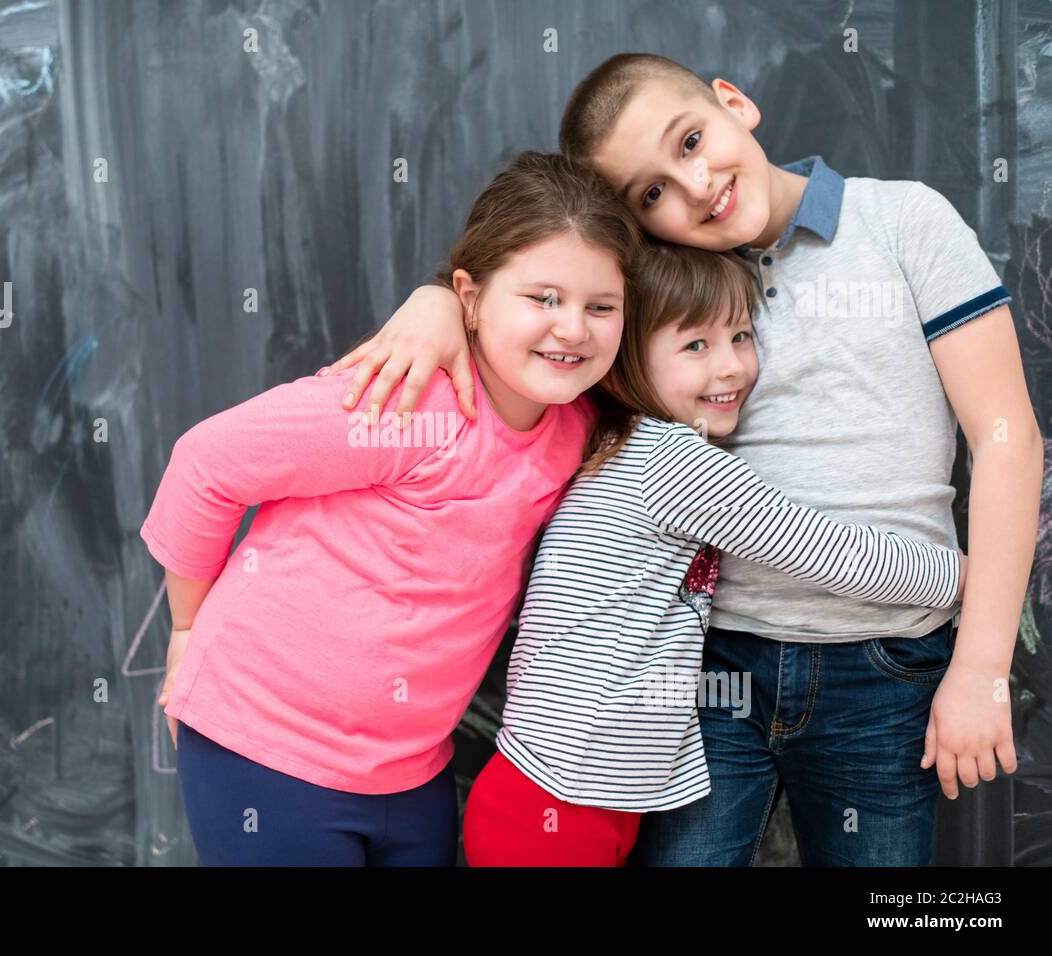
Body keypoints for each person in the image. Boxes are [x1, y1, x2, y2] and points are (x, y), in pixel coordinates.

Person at [319, 52, 1039, 865]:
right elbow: (543, 283)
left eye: (692, 140)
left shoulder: (904, 222)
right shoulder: (655, 286)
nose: (694, 187)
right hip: (704, 668)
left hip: (883, 664)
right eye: (651, 193)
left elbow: (1007, 434)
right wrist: (441, 302)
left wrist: (982, 662)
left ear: (734, 102)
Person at [139, 151, 639, 865]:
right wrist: (186, 627)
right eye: (543, 298)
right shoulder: (404, 398)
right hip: (264, 745)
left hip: (412, 770)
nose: (573, 329)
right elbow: (206, 464)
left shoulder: (577, 430)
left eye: (601, 307)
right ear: (469, 296)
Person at [460, 239, 967, 866]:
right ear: (628, 361)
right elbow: (836, 554)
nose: (730, 366)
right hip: (555, 807)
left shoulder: (621, 440)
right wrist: (968, 576)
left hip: (580, 797)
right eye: (695, 345)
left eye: (741, 336)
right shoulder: (673, 464)